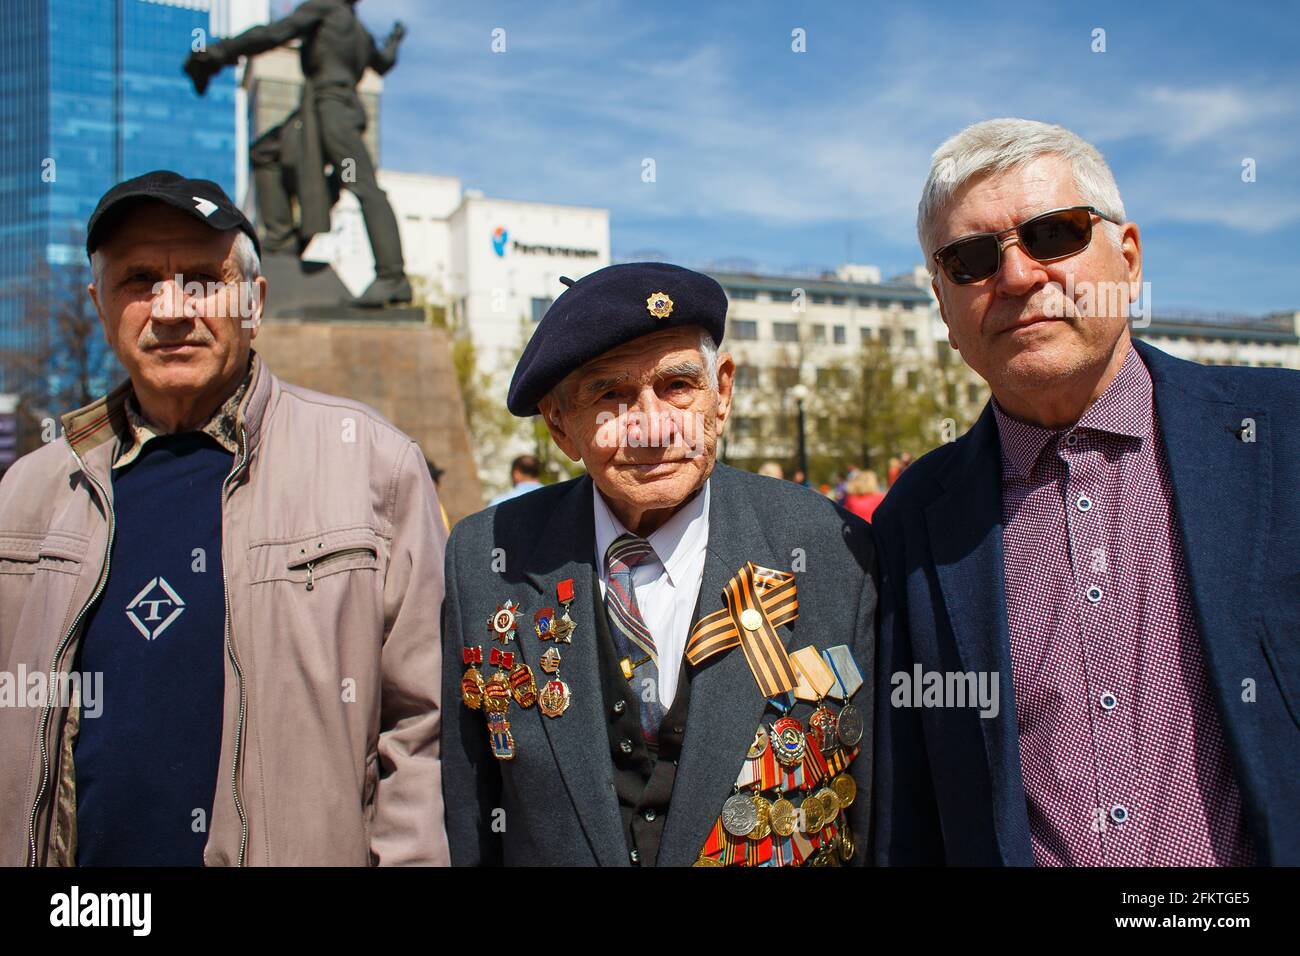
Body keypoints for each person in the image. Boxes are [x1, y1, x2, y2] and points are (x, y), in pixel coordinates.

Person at [872, 118, 1299, 866]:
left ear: (1129, 261)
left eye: (1053, 234)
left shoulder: (1282, 440)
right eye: (971, 260)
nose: (1017, 277)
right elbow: (913, 804)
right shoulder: (916, 518)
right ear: (944, 308)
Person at [0, 171, 448, 866]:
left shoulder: (372, 467)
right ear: (99, 306)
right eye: (140, 280)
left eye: (204, 281)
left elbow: (425, 729)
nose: (172, 309)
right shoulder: (29, 491)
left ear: (254, 303)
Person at [441, 263, 876, 867]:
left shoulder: (830, 546)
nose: (651, 428)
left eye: (676, 386)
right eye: (610, 395)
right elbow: (471, 814)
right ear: (561, 425)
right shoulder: (486, 557)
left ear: (721, 393)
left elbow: (873, 817)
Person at [183, 0, 412, 307]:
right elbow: (382, 61)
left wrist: (217, 53)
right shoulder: (360, 32)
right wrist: (395, 41)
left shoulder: (326, 10)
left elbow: (274, 33)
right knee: (267, 151)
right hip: (322, 112)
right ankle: (281, 242)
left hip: (331, 111)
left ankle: (392, 276)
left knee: (361, 182)